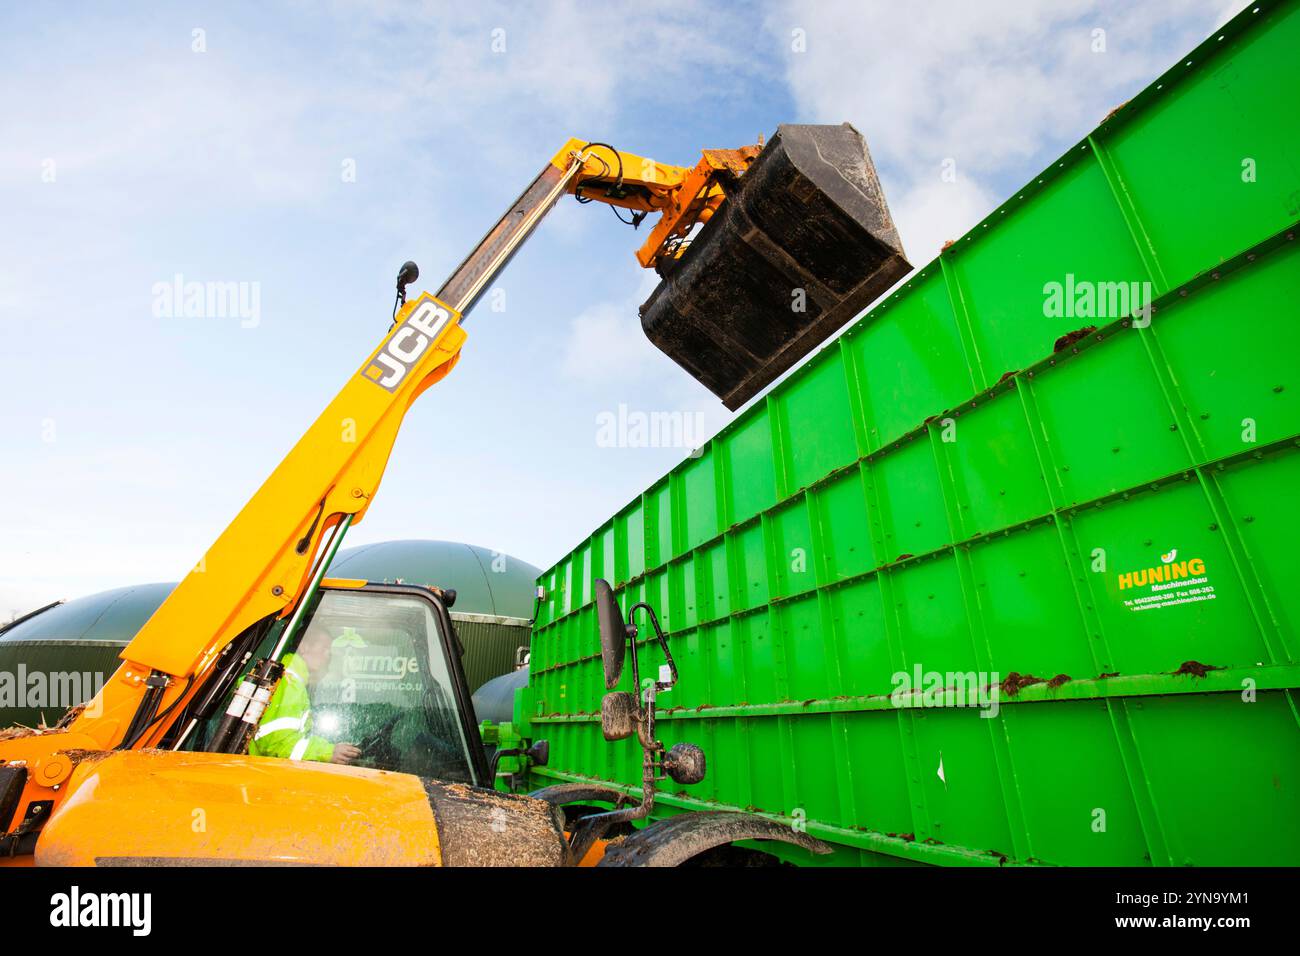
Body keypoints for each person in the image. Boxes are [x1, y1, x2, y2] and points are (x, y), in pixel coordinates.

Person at [248, 623, 362, 765]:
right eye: (325, 649)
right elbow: (275, 742)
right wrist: (328, 752)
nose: (328, 656)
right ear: (304, 647)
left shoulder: (293, 680)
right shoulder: (288, 682)